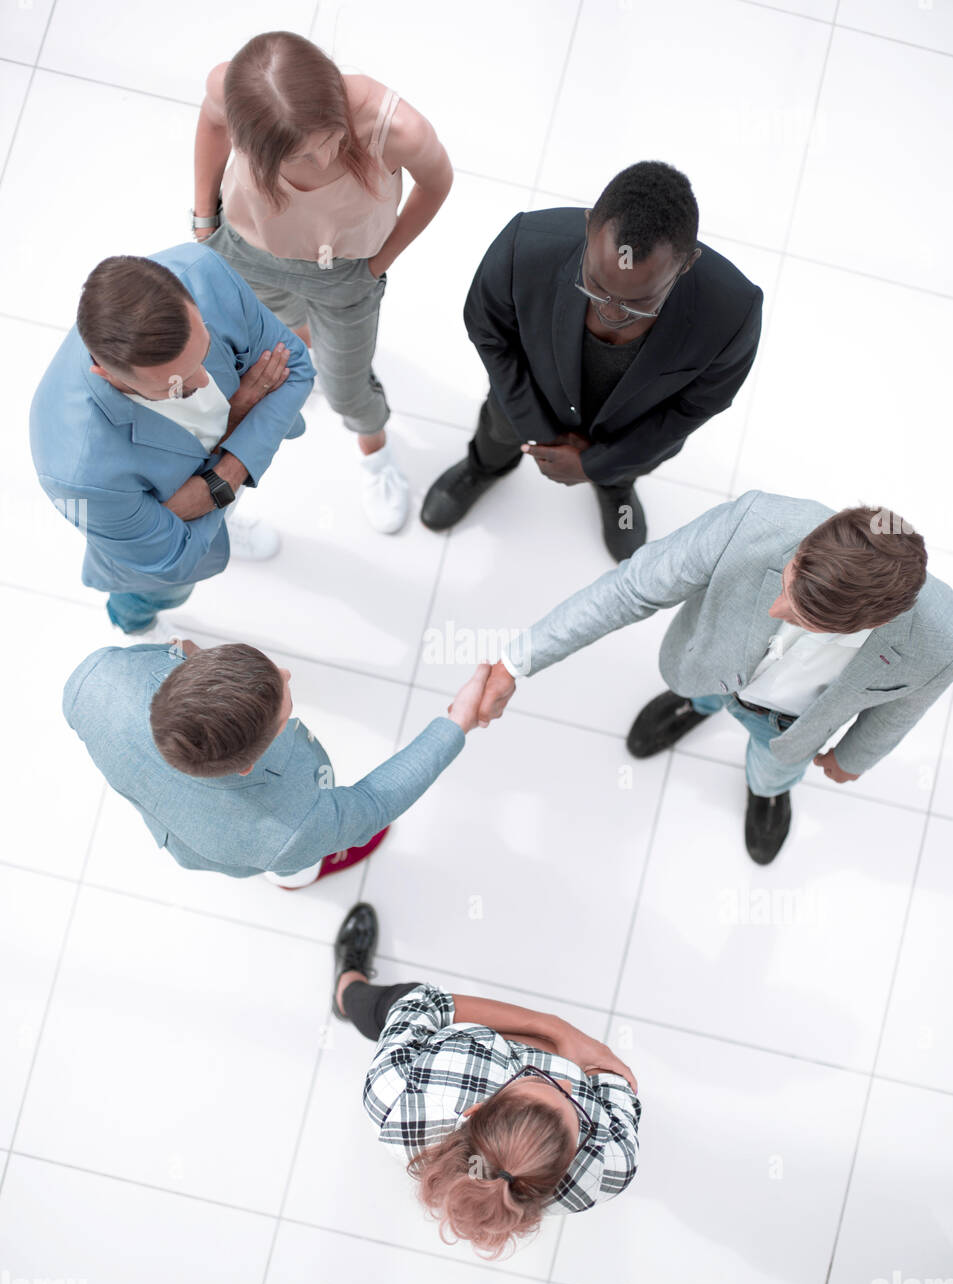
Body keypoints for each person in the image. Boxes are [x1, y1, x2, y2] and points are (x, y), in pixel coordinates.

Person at [474, 492, 953, 864]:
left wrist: (853, 758)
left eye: (803, 617)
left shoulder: (941, 639)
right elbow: (629, 590)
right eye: (788, 581)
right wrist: (516, 663)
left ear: (863, 623)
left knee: (773, 768)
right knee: (700, 688)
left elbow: (901, 707)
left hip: (789, 724)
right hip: (706, 666)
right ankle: (695, 705)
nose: (775, 610)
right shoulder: (752, 522)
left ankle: (767, 791)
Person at [421, 161, 762, 562]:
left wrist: (594, 465)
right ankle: (483, 467)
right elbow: (488, 332)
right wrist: (541, 434)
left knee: (621, 472)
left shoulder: (733, 311)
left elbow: (695, 408)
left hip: (628, 434)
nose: (611, 313)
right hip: (525, 398)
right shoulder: (523, 245)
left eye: (639, 303)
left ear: (685, 264)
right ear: (588, 227)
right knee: (498, 433)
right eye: (596, 287)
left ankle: (615, 492)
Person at [193, 30, 454, 534]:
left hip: (346, 273)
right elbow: (210, 122)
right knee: (285, 331)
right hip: (248, 252)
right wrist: (205, 218)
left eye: (328, 142)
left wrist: (378, 264)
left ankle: (374, 449)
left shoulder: (396, 127)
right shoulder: (229, 87)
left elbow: (438, 182)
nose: (324, 160)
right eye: (302, 158)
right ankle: (306, 342)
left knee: (347, 389)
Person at [31, 248, 315, 635]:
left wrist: (218, 483)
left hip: (211, 481)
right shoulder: (76, 474)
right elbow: (174, 557)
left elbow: (296, 367)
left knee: (213, 515)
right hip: (145, 562)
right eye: (176, 385)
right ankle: (133, 627)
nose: (203, 384)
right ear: (109, 375)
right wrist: (238, 434)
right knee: (158, 594)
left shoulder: (203, 274)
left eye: (202, 354)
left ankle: (220, 518)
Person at [331, 903, 640, 1258]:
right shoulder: (609, 1164)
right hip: (494, 1039)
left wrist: (553, 1033)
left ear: (478, 1109)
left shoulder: (398, 1095)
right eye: (573, 1104)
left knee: (382, 1005)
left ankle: (346, 990)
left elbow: (424, 1006)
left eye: (541, 1081)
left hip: (454, 1038)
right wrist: (554, 1029)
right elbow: (612, 1078)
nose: (569, 1082)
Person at [63, 639, 491, 886]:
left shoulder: (94, 679)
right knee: (295, 865)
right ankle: (296, 877)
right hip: (264, 850)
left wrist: (184, 654)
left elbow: (171, 651)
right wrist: (458, 722)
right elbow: (374, 804)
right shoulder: (290, 830)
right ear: (246, 766)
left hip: (177, 826)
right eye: (284, 708)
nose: (286, 673)